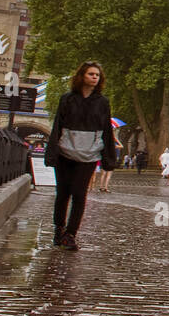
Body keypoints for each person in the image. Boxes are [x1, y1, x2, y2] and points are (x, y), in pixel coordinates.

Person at [45, 61, 117, 250]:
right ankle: (59, 229)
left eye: (97, 75)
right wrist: (52, 152)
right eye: (91, 74)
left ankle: (71, 234)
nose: (95, 77)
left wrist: (108, 158)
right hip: (65, 152)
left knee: (79, 193)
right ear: (82, 76)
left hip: (89, 155)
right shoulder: (67, 99)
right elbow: (57, 126)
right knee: (62, 193)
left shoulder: (102, 103)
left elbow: (107, 130)